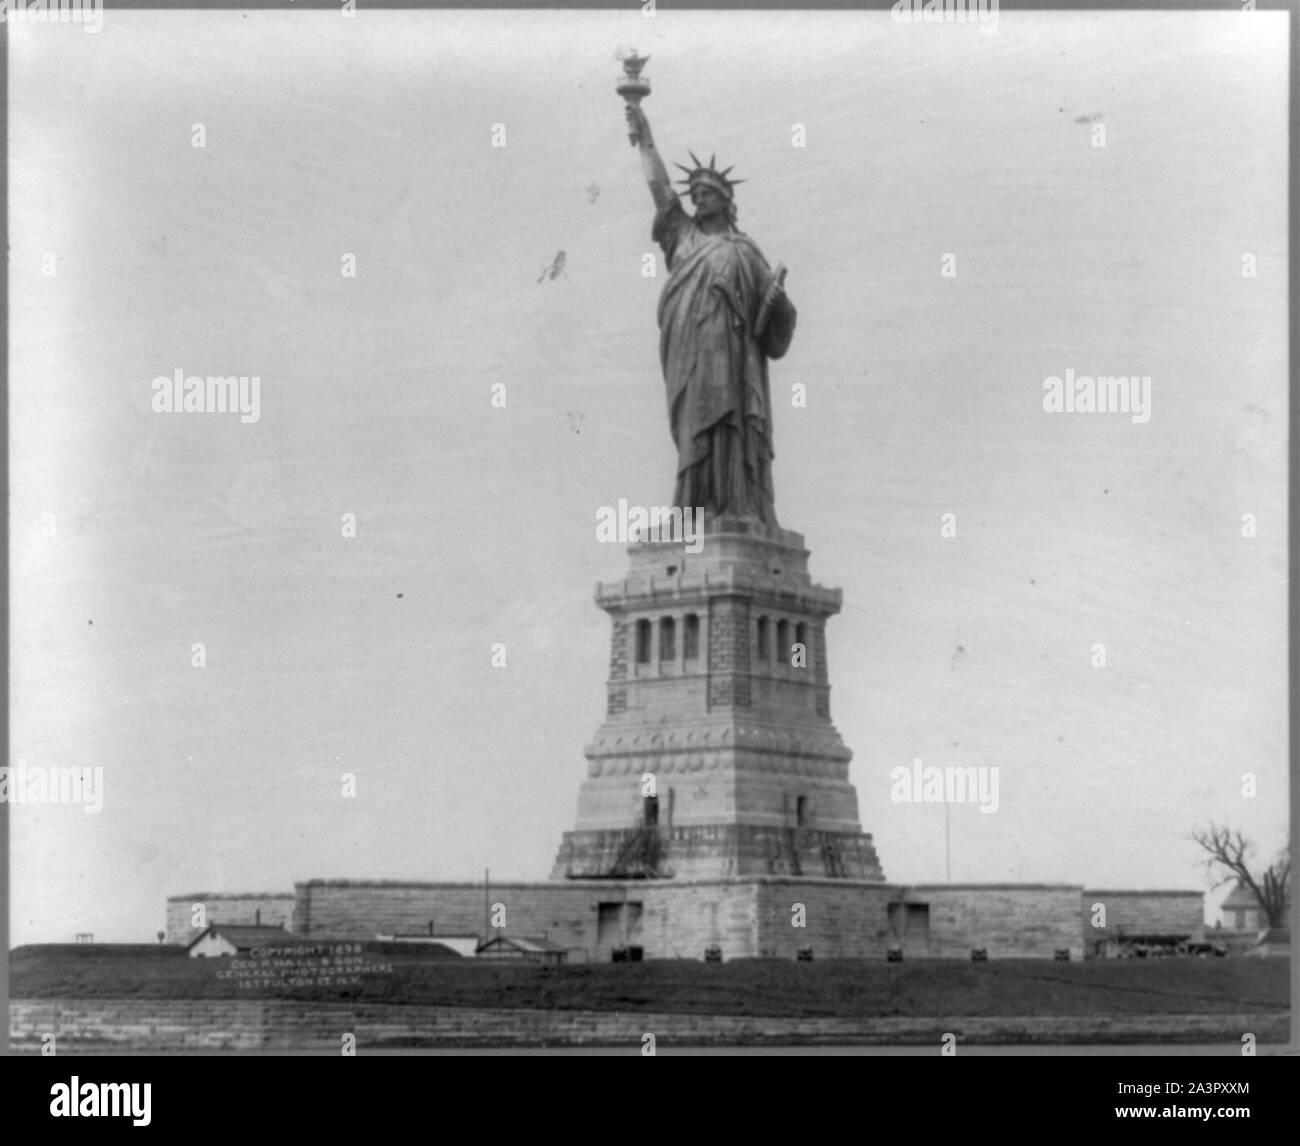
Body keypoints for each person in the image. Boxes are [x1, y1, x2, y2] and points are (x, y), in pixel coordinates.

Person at [625, 102, 796, 526]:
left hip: (735, 363)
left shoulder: (745, 251)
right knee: (693, 430)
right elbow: (660, 187)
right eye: (695, 196)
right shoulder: (682, 238)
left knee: (731, 426)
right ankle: (691, 510)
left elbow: (776, 316)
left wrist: (779, 303)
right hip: (691, 355)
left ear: (725, 201)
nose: (698, 201)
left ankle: (736, 505)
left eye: (706, 195)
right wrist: (645, 137)